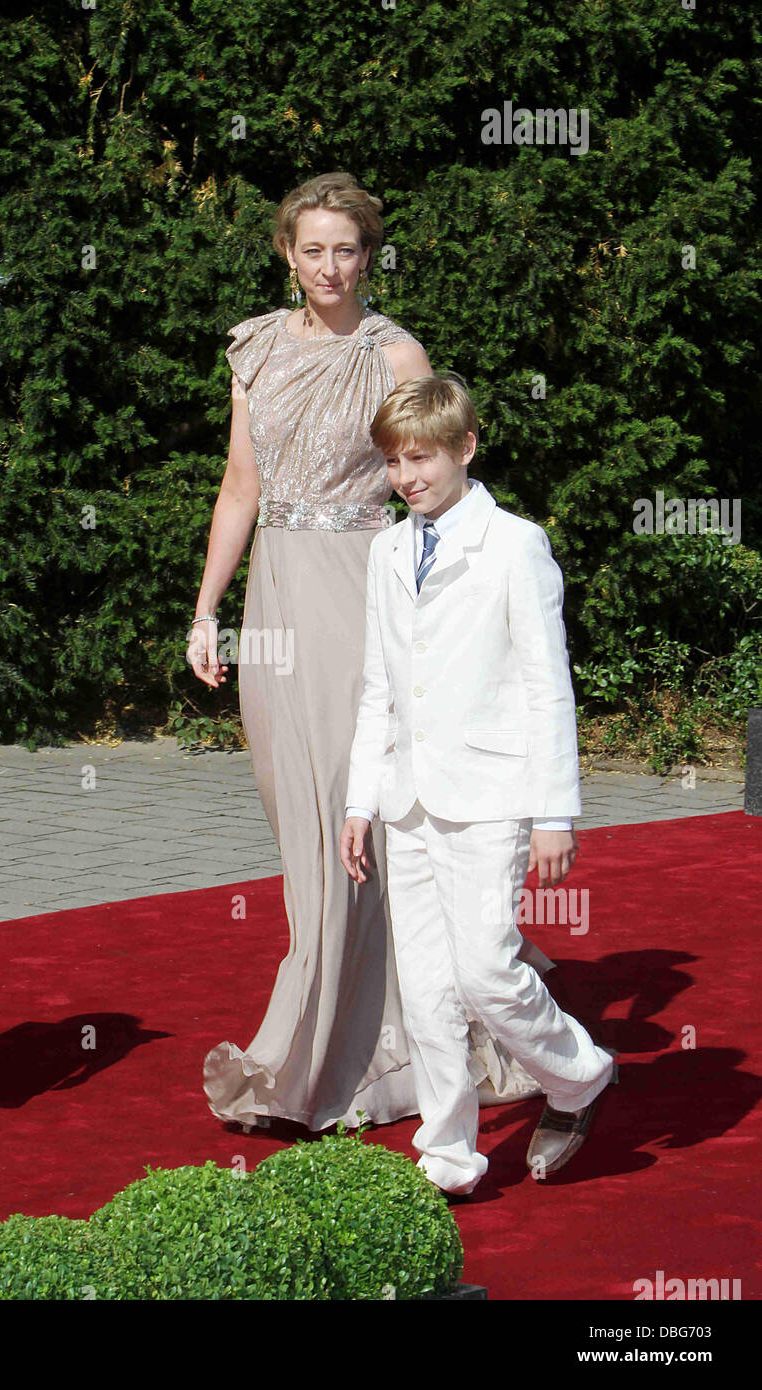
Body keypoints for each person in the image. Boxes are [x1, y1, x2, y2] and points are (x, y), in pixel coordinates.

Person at [191, 171, 555, 1132]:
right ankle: (338, 1021)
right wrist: (206, 611)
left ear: (368, 253)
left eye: (344, 248)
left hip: (366, 583)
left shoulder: (395, 354)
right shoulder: (256, 349)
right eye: (311, 248)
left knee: (371, 814)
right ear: (286, 252)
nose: (328, 266)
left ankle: (369, 1044)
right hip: (276, 592)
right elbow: (239, 486)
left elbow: (425, 479)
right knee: (300, 817)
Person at [340, 374, 618, 1194]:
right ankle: (448, 1154)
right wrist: (361, 800)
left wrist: (555, 813)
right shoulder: (386, 550)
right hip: (406, 800)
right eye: (393, 462)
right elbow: (377, 689)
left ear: (466, 448)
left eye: (421, 458)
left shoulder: (515, 544)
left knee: (486, 972)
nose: (406, 477)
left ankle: (577, 1075)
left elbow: (546, 685)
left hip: (494, 796)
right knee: (425, 986)